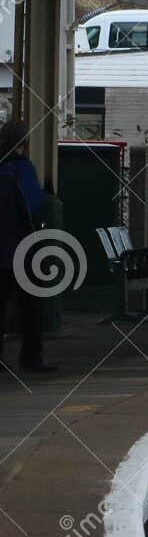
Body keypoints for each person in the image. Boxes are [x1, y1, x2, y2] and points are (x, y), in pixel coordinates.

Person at [0, 120, 55, 373]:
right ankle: (31, 356)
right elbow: (33, 203)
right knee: (31, 303)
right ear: (24, 142)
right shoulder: (23, 168)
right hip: (22, 245)